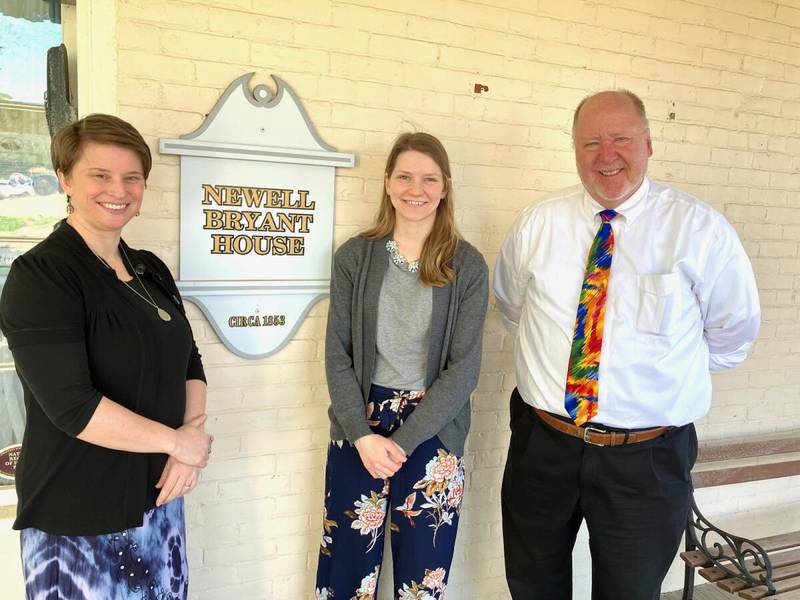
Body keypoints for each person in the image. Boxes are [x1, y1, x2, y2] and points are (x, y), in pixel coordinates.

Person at [494, 90, 760, 600]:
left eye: (620, 138)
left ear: (648, 143)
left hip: (646, 460)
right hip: (543, 445)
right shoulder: (538, 222)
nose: (606, 155)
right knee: (531, 585)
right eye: (591, 142)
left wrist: (657, 381)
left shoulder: (699, 230)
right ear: (575, 149)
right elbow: (513, 307)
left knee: (630, 593)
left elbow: (732, 335)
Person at [0, 114, 213, 599]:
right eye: (100, 175)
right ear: (65, 179)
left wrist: (190, 438)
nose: (118, 190)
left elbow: (189, 360)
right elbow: (72, 406)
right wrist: (178, 444)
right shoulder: (42, 276)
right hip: (80, 515)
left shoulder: (149, 268)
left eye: (132, 177)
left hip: (158, 501)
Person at [314, 132, 489, 599]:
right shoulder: (355, 257)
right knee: (347, 570)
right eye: (406, 177)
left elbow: (464, 369)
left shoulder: (467, 265)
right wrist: (362, 436)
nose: (417, 189)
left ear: (445, 187)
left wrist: (404, 442)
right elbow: (337, 353)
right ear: (388, 183)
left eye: (430, 179)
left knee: (421, 576)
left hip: (435, 426)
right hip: (360, 423)